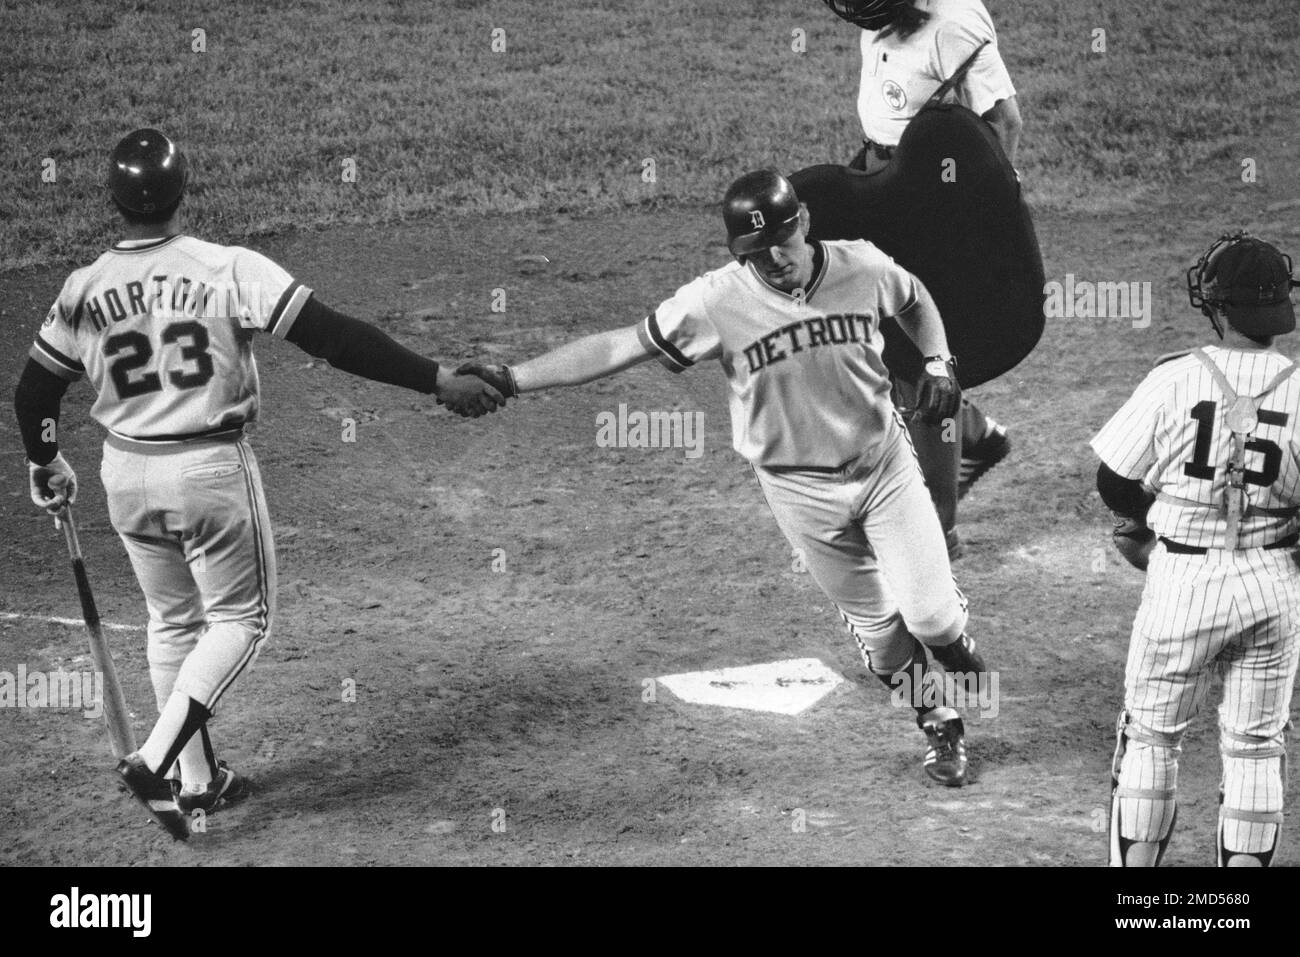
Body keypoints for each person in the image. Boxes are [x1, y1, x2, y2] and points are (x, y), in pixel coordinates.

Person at [13, 129, 504, 841]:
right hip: (208, 469)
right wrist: (435, 379)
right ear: (183, 191)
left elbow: (34, 395)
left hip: (125, 473)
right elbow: (333, 337)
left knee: (172, 621)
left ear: (112, 202)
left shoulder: (81, 288)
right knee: (242, 621)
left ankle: (198, 781)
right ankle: (153, 758)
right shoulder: (225, 266)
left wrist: (45, 462)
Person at [460, 170, 990, 786]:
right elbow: (618, 348)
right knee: (883, 640)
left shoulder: (862, 267)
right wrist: (514, 376)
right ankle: (938, 719)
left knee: (932, 622)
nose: (773, 261)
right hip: (799, 491)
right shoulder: (715, 301)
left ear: (805, 223)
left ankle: (953, 639)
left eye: (782, 244)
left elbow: (916, 299)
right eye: (754, 254)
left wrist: (937, 360)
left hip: (883, 465)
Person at [1092, 232, 1300, 866]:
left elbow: (1114, 480)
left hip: (1181, 580)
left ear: (1219, 307)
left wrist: (1149, 532)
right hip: (1274, 584)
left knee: (1152, 736)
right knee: (1256, 744)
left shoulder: (1176, 377)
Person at [822, 0, 1023, 556]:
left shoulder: (954, 21)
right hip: (877, 174)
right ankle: (977, 436)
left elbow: (1004, 122)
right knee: (867, 335)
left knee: (920, 365)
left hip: (936, 192)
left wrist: (986, 214)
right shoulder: (885, 13)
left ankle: (940, 529)